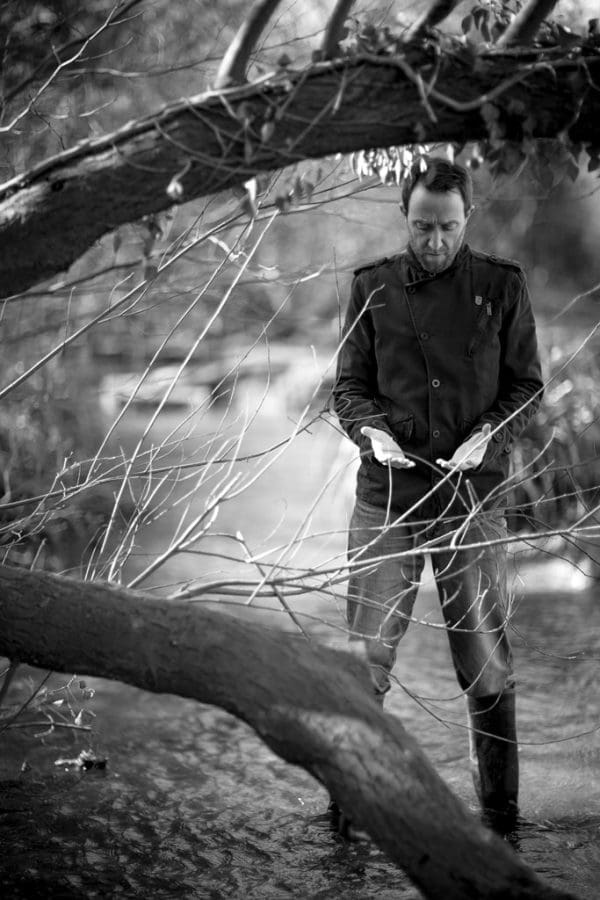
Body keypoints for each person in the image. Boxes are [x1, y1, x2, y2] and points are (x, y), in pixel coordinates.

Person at [332, 156, 543, 833]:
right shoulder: (371, 286)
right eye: (423, 226)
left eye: (448, 227)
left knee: (485, 662)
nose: (435, 241)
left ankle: (501, 822)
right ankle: (348, 816)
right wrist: (371, 432)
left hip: (471, 499)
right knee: (364, 661)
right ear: (406, 216)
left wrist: (489, 435)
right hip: (388, 496)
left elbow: (527, 387)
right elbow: (348, 388)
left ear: (467, 217)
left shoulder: (502, 286)